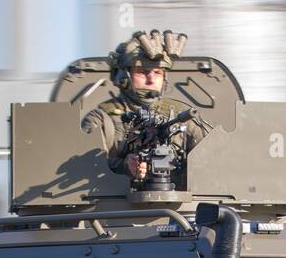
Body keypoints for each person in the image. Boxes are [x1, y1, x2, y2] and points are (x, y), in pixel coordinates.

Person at [81, 30, 210, 185]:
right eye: (142, 72)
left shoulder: (183, 117)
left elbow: (211, 159)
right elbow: (85, 168)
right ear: (123, 76)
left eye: (157, 73)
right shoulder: (102, 119)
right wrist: (125, 166)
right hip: (115, 205)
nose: (151, 79)